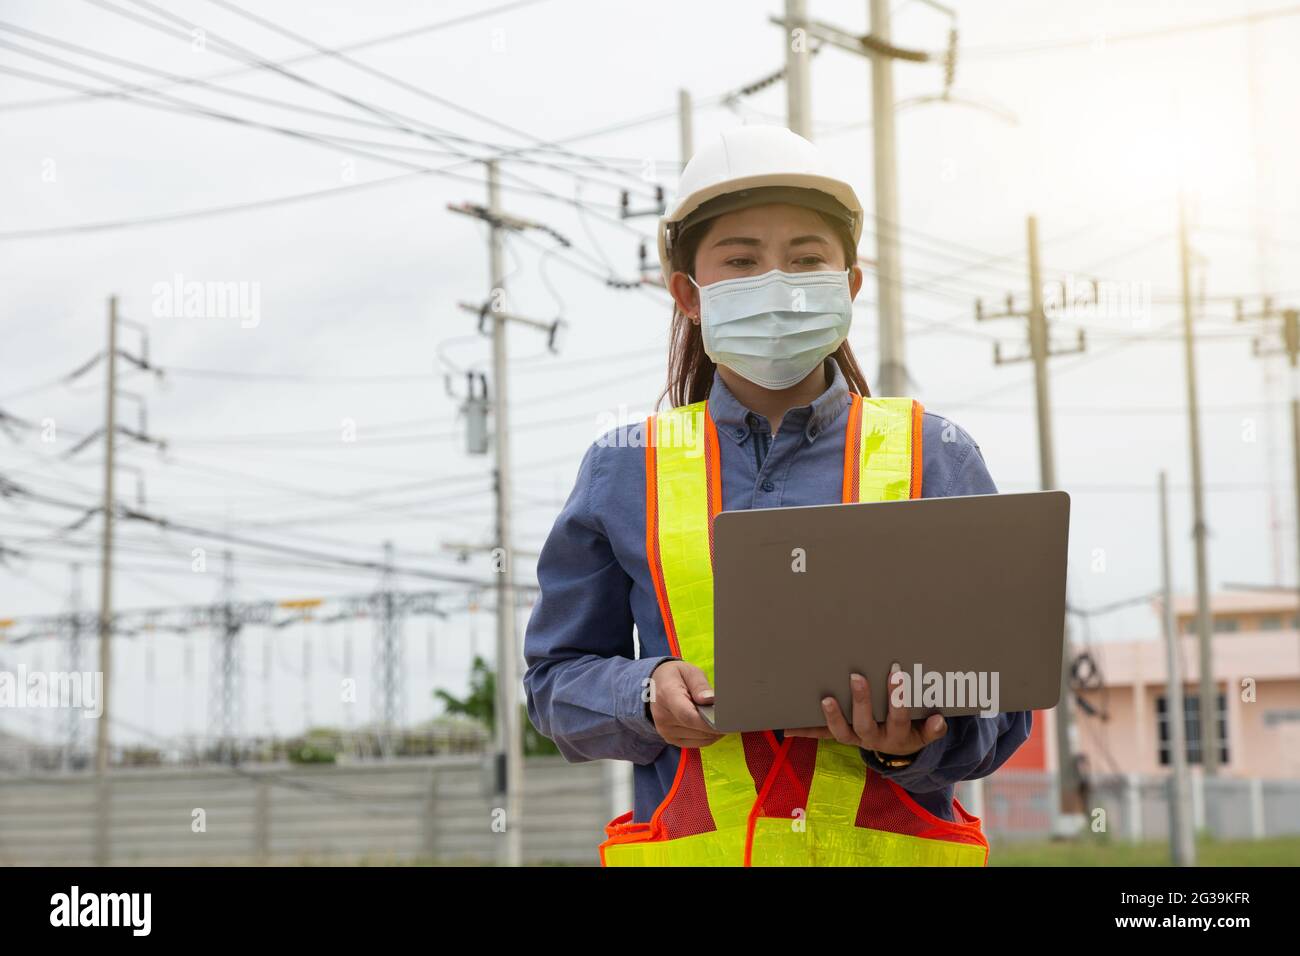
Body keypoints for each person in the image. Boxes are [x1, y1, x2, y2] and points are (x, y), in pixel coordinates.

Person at [523, 125, 1031, 867]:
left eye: (806, 259)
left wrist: (912, 739)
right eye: (740, 261)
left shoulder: (936, 456)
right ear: (687, 296)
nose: (778, 283)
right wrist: (642, 691)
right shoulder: (622, 470)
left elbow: (1001, 700)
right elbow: (553, 685)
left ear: (849, 285)